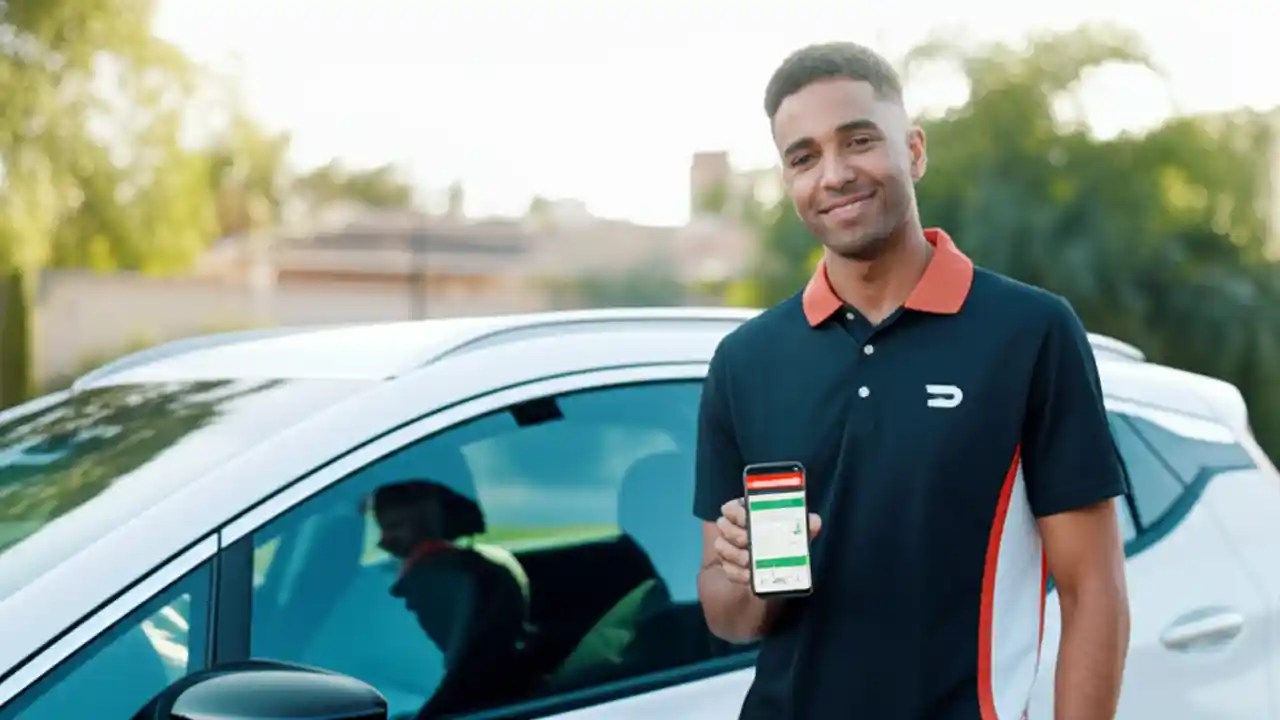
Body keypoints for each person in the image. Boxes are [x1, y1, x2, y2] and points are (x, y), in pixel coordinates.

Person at [693, 42, 1130, 719]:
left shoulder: (1028, 332)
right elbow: (729, 615)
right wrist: (749, 574)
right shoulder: (746, 361)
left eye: (859, 141)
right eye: (803, 157)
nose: (833, 175)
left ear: (915, 150)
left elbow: (1092, 588)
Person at [371, 479, 532, 716]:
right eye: (382, 528)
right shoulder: (480, 567)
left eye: (395, 526)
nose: (383, 541)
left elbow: (461, 668)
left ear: (429, 520)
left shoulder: (439, 581)